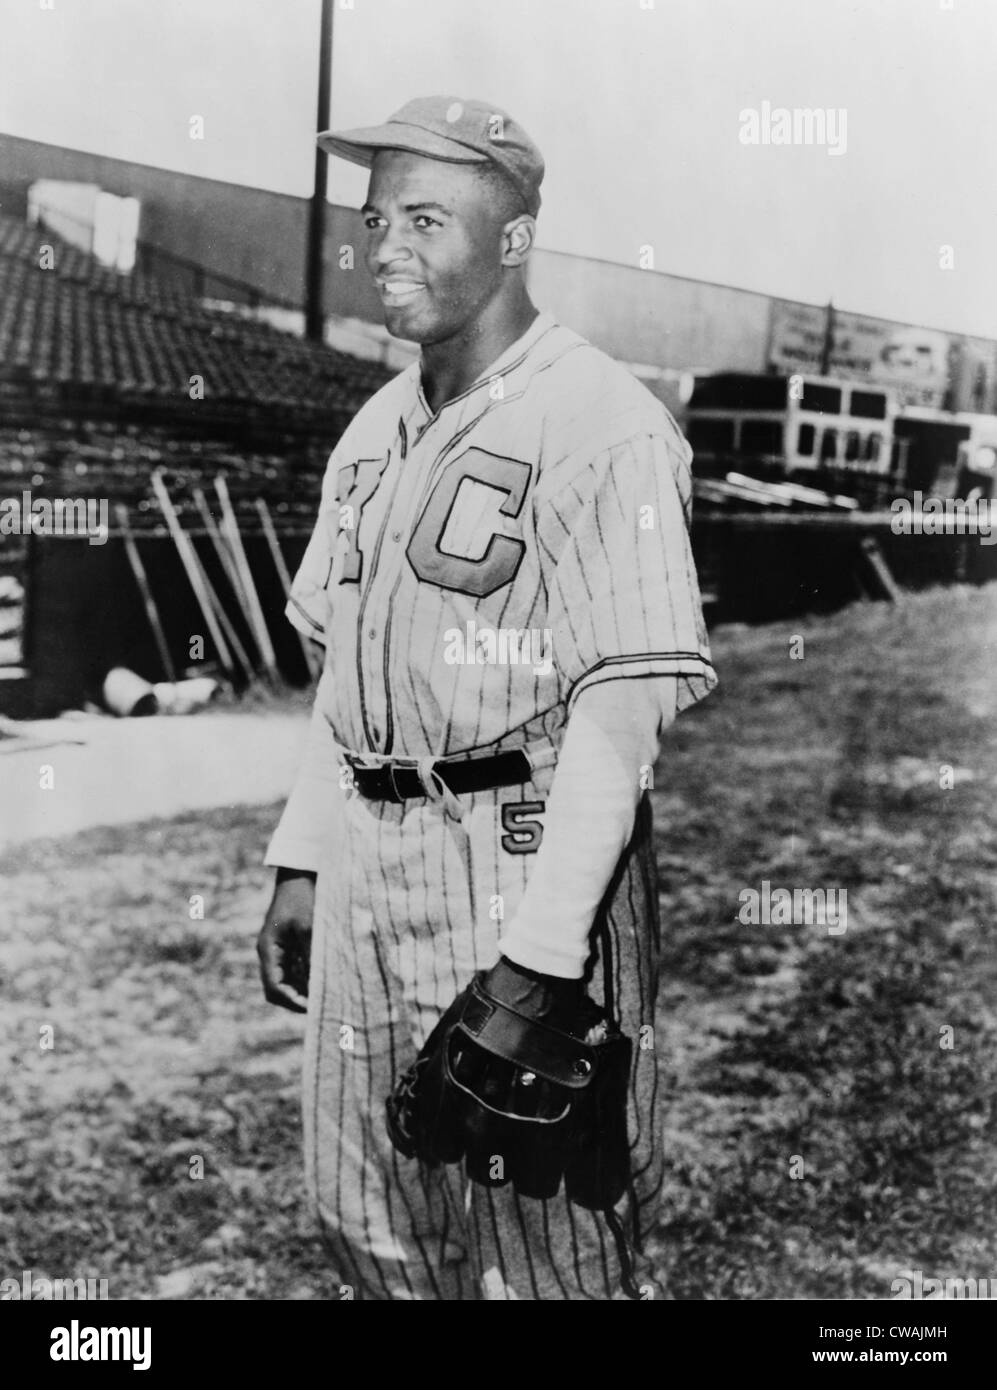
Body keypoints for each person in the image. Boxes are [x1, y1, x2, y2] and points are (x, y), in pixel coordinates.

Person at [257, 96, 717, 1300]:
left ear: (513, 239)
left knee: (541, 1250)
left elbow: (618, 722)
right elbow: (343, 672)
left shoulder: (605, 423)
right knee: (367, 1218)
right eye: (374, 220)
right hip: (368, 850)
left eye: (425, 218)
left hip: (513, 853)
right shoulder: (371, 429)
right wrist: (304, 858)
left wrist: (546, 958)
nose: (385, 247)